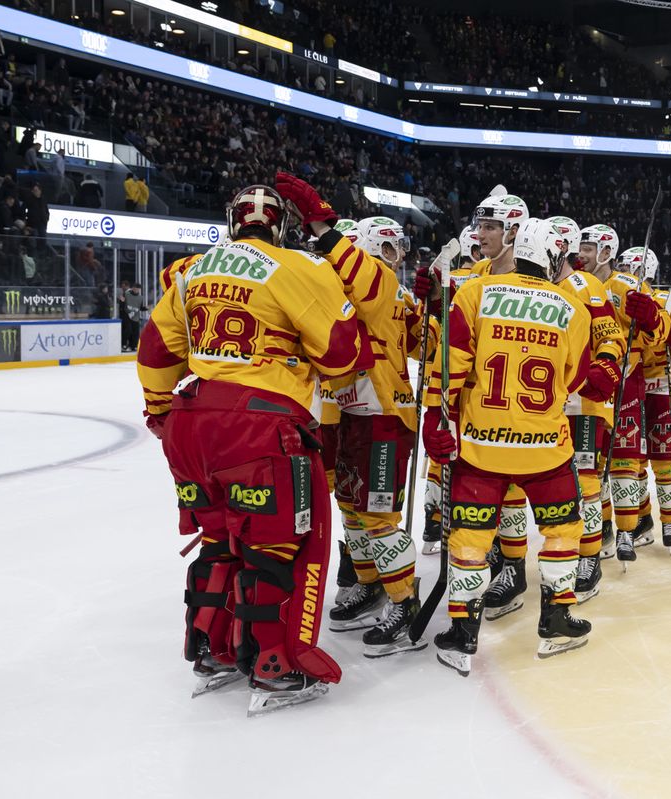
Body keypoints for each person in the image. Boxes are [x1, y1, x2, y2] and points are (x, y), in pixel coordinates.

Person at [135, 184, 376, 714]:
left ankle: (212, 648)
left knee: (218, 536)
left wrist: (158, 410)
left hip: (192, 423)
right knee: (275, 544)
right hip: (260, 427)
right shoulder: (297, 268)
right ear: (280, 225)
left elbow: (156, 346)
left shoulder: (193, 270)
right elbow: (343, 356)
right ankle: (273, 663)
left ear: (233, 222)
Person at [420, 217, 593, 676]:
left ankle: (462, 631)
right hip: (547, 450)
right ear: (553, 258)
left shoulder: (475, 295)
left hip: (481, 447)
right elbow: (577, 377)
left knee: (472, 539)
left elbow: (449, 367)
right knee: (562, 531)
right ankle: (556, 619)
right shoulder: (574, 309)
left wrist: (436, 420)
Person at [276, 188, 430, 660]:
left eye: (396, 247)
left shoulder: (379, 282)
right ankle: (371, 584)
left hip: (382, 415)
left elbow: (424, 344)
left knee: (378, 517)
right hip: (342, 413)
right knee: (350, 509)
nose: (394, 256)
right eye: (385, 245)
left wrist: (325, 229)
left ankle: (406, 604)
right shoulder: (344, 284)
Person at [581, 224, 670, 560]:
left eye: (587, 248)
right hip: (586, 385)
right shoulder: (575, 283)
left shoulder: (626, 285)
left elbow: (661, 332)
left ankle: (627, 531)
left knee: (624, 460)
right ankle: (601, 527)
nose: (581, 254)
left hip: (625, 380)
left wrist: (648, 320)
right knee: (590, 465)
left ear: (605, 252)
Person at [549, 216, 624, 601]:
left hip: (583, 403)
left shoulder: (586, 285)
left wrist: (605, 366)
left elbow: (610, 337)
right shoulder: (535, 284)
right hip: (545, 407)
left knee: (585, 482)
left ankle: (589, 557)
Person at [614, 245, 671, 559]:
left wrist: (668, 331)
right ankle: (640, 518)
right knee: (632, 463)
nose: (628, 276)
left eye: (634, 270)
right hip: (631, 389)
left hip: (664, 389)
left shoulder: (667, 303)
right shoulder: (616, 302)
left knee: (665, 461)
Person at [420, 223, 481, 557]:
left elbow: (431, 331)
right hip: (469, 381)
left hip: (453, 378)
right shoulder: (469, 281)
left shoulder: (457, 281)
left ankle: (436, 514)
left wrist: (431, 299)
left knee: (443, 450)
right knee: (459, 452)